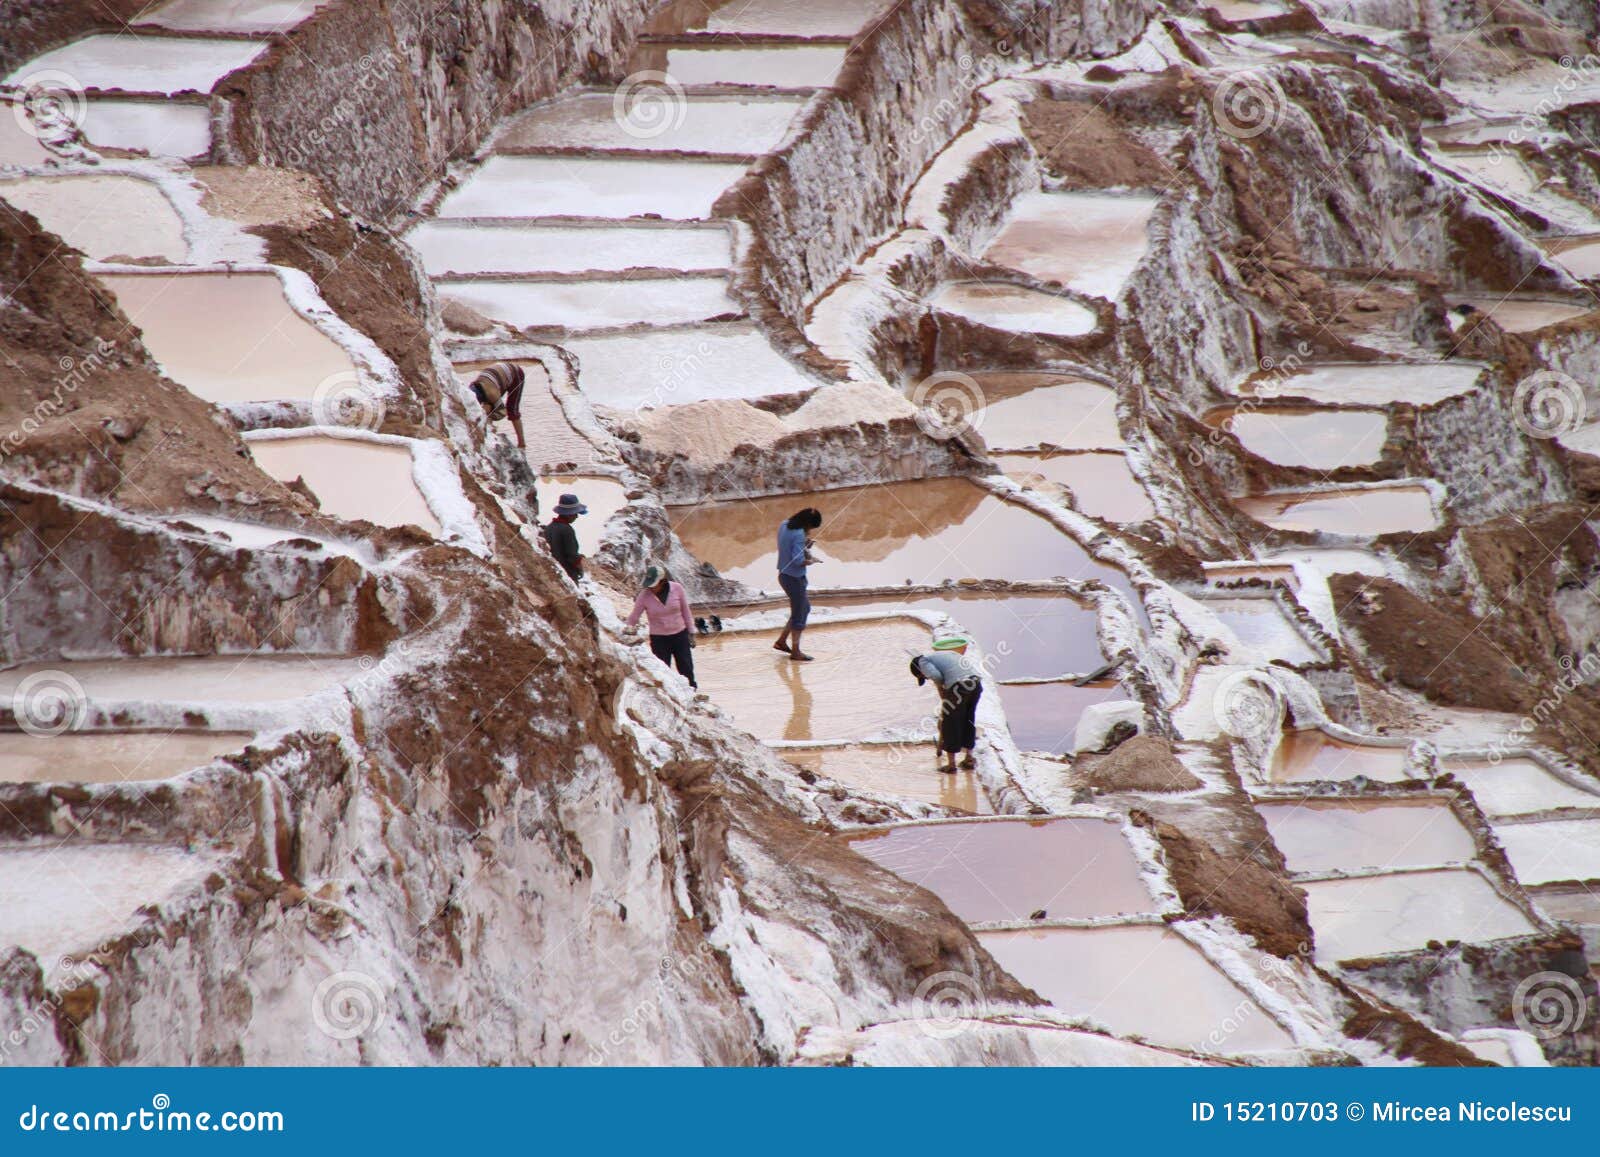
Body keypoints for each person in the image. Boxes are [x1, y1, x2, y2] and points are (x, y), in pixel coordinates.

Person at [910, 634, 983, 774]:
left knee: (951, 723)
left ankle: (951, 765)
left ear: (918, 670)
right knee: (968, 719)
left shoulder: (923, 661)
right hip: (975, 683)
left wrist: (943, 688)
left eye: (923, 676)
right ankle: (969, 758)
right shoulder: (946, 654)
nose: (926, 677)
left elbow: (936, 676)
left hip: (959, 686)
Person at [625, 564, 696, 689]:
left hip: (680, 636)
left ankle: (692, 694)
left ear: (662, 582)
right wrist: (625, 629)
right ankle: (667, 697)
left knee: (686, 668)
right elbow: (634, 616)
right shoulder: (644, 596)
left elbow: (686, 611)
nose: (651, 588)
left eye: (654, 585)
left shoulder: (677, 589)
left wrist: (691, 632)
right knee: (662, 672)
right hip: (659, 639)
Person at [773, 507, 822, 662]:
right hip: (794, 578)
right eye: (811, 528)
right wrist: (811, 560)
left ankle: (781, 641)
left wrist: (803, 546)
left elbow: (786, 546)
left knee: (803, 608)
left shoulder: (784, 524)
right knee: (799, 614)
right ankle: (796, 651)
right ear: (807, 524)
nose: (810, 531)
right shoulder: (799, 534)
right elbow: (798, 560)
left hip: (783, 575)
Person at [468, 361, 526, 449]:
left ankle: (522, 444)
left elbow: (502, 412)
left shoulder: (492, 394)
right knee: (486, 412)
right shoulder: (470, 391)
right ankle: (490, 436)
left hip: (515, 374)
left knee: (512, 410)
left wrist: (489, 413)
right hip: (495, 378)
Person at [543, 492, 586, 581]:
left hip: (554, 569)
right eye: (575, 514)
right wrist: (579, 567)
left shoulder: (549, 527)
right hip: (567, 573)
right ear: (569, 514)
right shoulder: (567, 530)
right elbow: (572, 555)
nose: (577, 516)